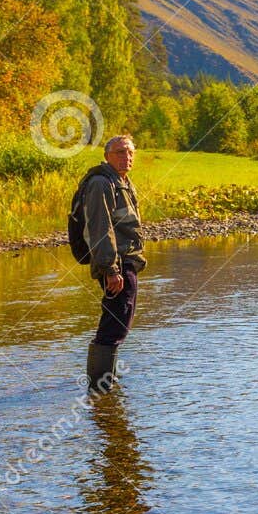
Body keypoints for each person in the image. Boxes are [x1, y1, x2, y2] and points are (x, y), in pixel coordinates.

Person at [81, 134, 145, 390]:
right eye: (119, 152)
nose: (126, 157)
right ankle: (99, 384)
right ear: (107, 156)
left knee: (119, 318)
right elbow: (101, 228)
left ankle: (108, 379)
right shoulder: (101, 183)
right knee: (116, 321)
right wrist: (111, 269)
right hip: (115, 264)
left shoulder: (123, 182)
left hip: (125, 261)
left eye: (129, 152)